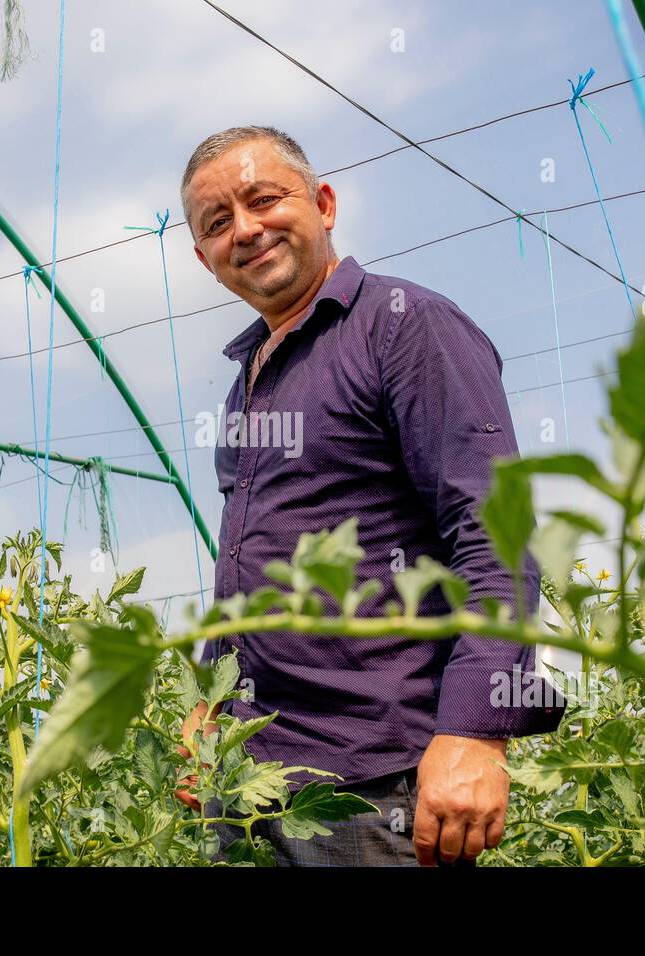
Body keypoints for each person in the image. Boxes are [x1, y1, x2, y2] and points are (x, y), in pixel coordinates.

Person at [174, 126, 564, 866]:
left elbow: (495, 534)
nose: (246, 230)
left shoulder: (405, 327)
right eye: (218, 224)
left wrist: (478, 730)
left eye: (263, 200)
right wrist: (215, 702)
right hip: (253, 778)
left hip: (372, 781)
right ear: (205, 259)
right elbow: (246, 562)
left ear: (323, 204)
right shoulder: (249, 378)